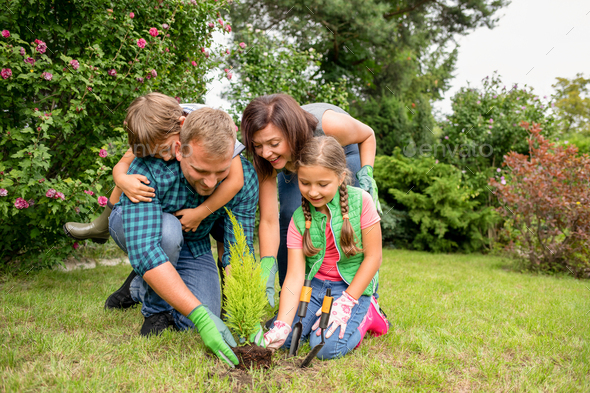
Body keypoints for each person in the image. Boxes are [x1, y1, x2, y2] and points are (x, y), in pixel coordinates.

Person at [103, 95, 259, 368]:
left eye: (220, 172)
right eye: (200, 170)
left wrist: (244, 300)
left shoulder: (241, 176)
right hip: (145, 230)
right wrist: (200, 315)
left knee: (194, 322)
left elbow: (237, 248)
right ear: (179, 150)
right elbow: (146, 249)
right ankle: (154, 306)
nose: (211, 183)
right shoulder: (150, 167)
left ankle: (140, 285)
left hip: (194, 243)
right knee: (168, 232)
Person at [241, 94, 381, 308]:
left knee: (350, 216)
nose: (265, 152)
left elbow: (368, 135)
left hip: (342, 152)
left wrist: (367, 172)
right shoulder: (267, 156)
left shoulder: (328, 124)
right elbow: (269, 219)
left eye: (274, 143)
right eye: (257, 145)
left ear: (290, 132)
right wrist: (267, 261)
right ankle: (294, 299)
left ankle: (367, 299)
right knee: (289, 216)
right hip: (291, 160)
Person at [263, 136, 389, 359]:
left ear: (341, 177)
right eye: (305, 183)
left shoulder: (362, 201)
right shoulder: (299, 218)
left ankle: (369, 313)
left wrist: (347, 302)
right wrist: (282, 323)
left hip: (349, 287)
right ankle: (296, 325)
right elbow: (294, 275)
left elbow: (373, 258)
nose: (313, 192)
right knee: (285, 340)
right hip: (314, 288)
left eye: (322, 184)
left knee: (326, 348)